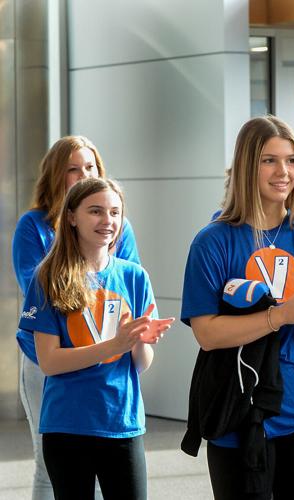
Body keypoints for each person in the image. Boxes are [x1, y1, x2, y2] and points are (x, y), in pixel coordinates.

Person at [181, 115, 294, 500]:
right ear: (246, 166)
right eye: (269, 160)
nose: (283, 172)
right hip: (236, 411)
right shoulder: (213, 241)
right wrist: (279, 316)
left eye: (291, 160)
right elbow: (207, 334)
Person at [18, 177, 173, 500]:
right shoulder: (48, 277)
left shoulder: (134, 276)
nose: (108, 221)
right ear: (71, 217)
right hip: (68, 425)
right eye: (96, 211)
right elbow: (49, 361)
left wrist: (140, 341)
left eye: (115, 213)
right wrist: (113, 345)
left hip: (122, 422)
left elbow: (141, 365)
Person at [11, 135, 140, 500]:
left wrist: (123, 339)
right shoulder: (33, 225)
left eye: (91, 167)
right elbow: (44, 292)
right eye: (73, 169)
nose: (84, 174)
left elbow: (128, 287)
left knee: (104, 469)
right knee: (49, 468)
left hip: (109, 357)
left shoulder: (119, 226)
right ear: (56, 176)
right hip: (49, 355)